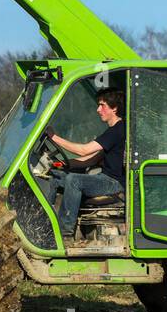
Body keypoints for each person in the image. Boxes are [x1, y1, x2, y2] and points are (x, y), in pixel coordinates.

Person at [42, 88, 126, 237]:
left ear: (114, 108)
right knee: (56, 176)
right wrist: (60, 164)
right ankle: (44, 222)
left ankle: (64, 233)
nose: (98, 110)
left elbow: (84, 151)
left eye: (102, 105)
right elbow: (90, 159)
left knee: (73, 180)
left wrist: (53, 137)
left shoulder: (118, 131)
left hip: (113, 182)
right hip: (104, 178)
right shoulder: (113, 131)